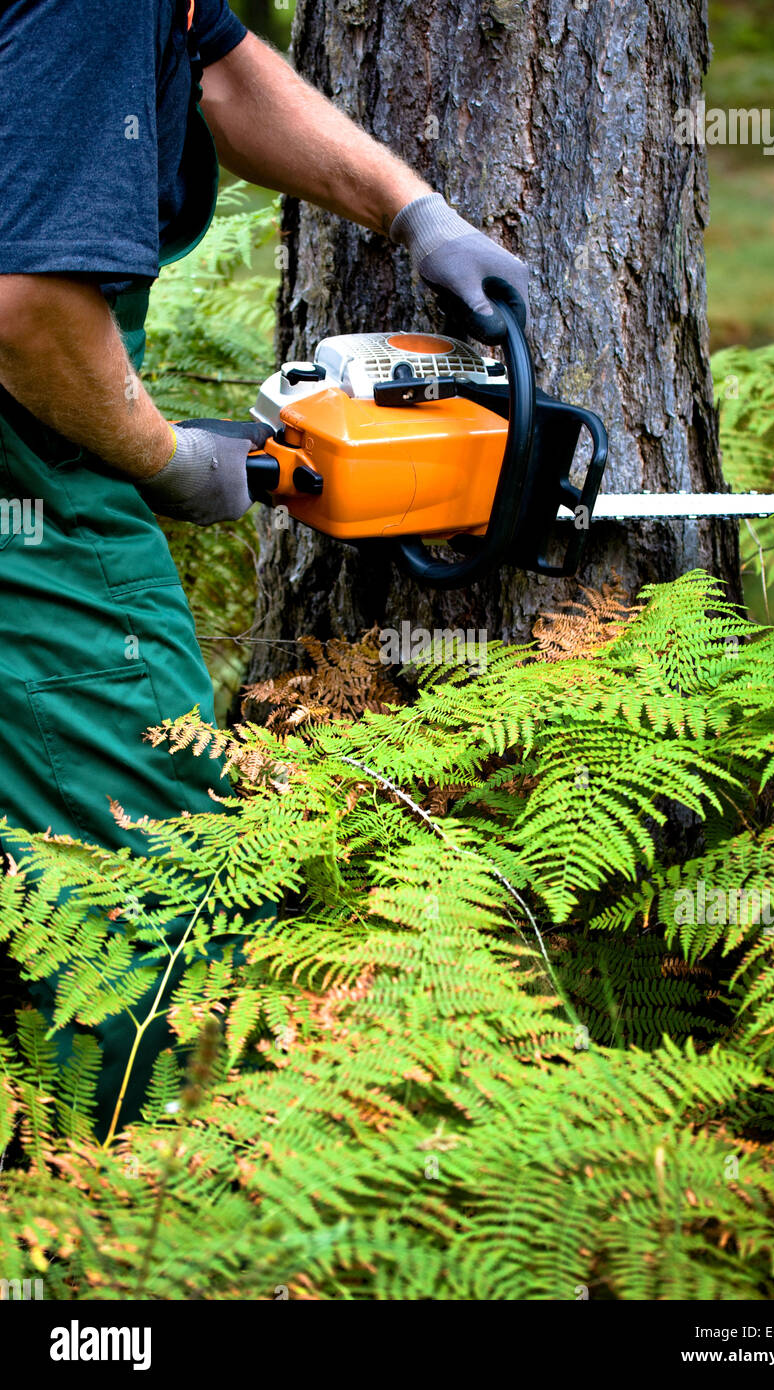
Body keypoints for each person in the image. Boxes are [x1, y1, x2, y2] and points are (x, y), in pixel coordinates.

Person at [0, 0, 529, 1129]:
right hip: (29, 477)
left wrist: (409, 210)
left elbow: (214, 64)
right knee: (158, 884)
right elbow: (30, 310)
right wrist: (165, 455)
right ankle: (159, 1224)